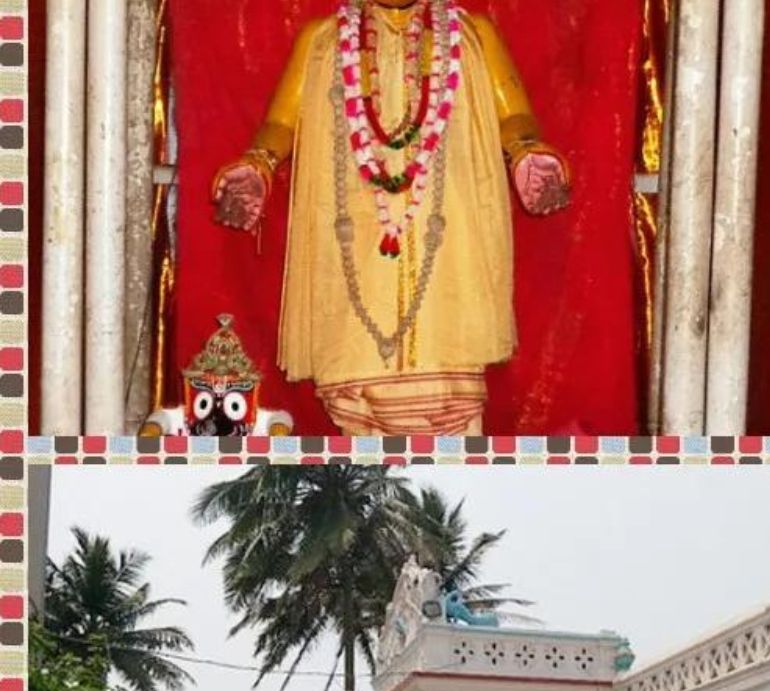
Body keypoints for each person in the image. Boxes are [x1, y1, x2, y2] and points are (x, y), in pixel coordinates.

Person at [212, 0, 570, 435]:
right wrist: (259, 164)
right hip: (355, 236)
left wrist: (526, 149)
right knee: (359, 396)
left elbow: (514, 113)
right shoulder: (323, 41)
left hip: (448, 248)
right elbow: (281, 123)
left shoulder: (472, 35)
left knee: (448, 397)